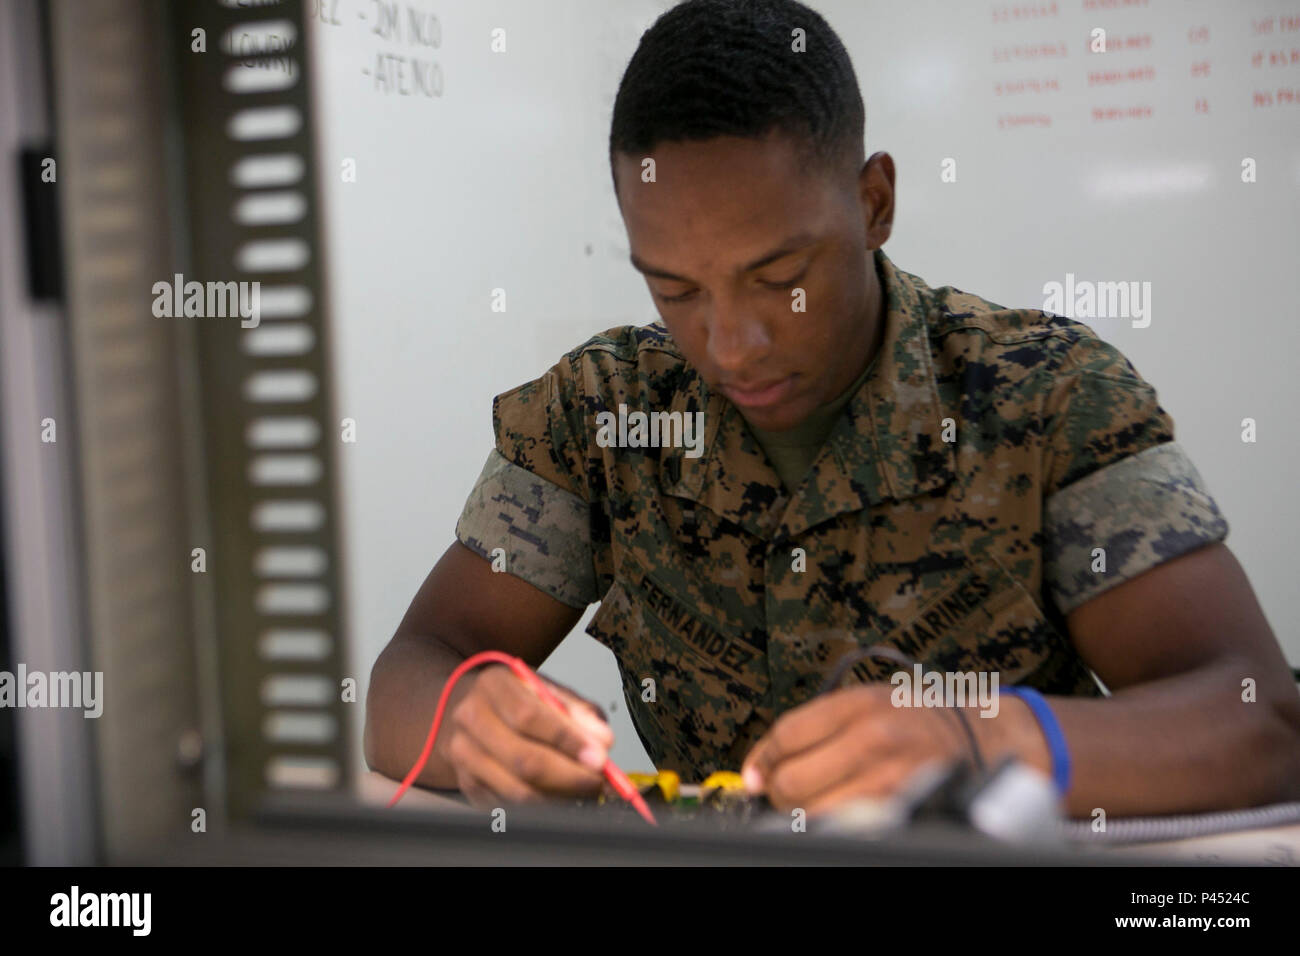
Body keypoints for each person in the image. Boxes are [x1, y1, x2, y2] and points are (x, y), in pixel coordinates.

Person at [365, 0, 1300, 819]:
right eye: (677, 290)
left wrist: (982, 742)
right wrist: (472, 716)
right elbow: (411, 673)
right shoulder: (602, 412)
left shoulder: (1049, 394)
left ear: (874, 202)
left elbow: (1261, 717)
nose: (730, 344)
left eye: (778, 278)